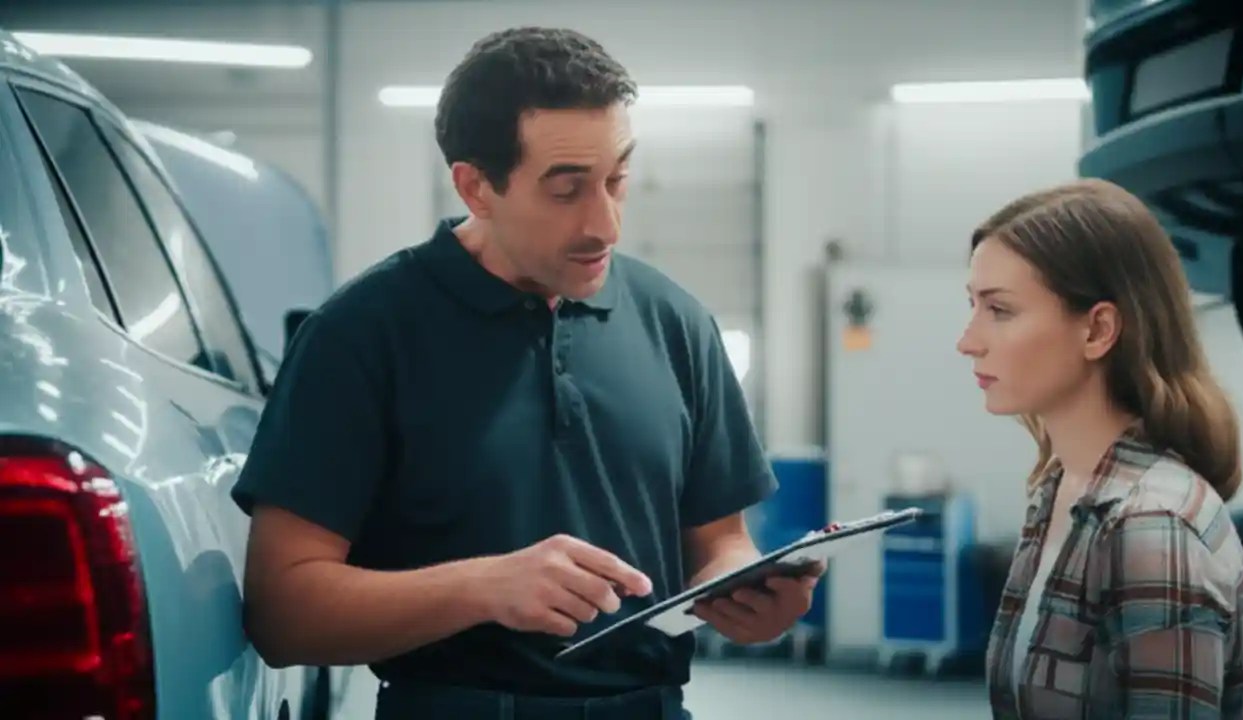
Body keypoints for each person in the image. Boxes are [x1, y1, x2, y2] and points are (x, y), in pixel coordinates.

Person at [232, 26, 820, 720]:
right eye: (567, 190)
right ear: (476, 187)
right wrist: (483, 587)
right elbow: (283, 613)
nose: (606, 224)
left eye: (617, 178)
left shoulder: (676, 321)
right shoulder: (360, 336)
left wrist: (744, 592)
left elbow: (720, 540)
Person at [958, 178, 1243, 718]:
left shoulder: (1152, 524)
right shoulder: (1058, 490)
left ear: (1097, 330)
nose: (968, 340)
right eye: (973, 306)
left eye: (999, 310)